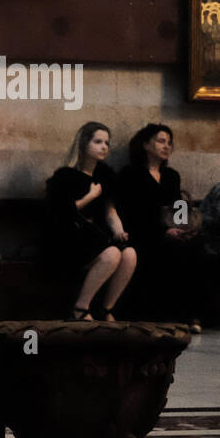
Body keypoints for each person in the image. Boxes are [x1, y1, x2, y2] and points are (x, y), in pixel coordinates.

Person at [45, 122, 136, 321]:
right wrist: (91, 195)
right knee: (111, 254)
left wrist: (119, 229)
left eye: (106, 143)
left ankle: (106, 309)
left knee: (129, 253)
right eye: (98, 142)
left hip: (96, 233)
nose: (104, 146)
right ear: (84, 144)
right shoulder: (65, 175)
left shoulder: (105, 175)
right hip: (69, 236)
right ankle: (81, 307)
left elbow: (109, 210)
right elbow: (61, 211)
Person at [117, 124, 202, 331]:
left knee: (193, 248)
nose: (166, 146)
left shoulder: (172, 175)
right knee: (166, 250)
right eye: (161, 141)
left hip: (168, 232)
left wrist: (182, 228)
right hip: (141, 233)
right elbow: (133, 213)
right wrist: (163, 231)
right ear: (146, 144)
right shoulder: (130, 174)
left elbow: (177, 206)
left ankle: (188, 314)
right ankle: (164, 314)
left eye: (169, 143)